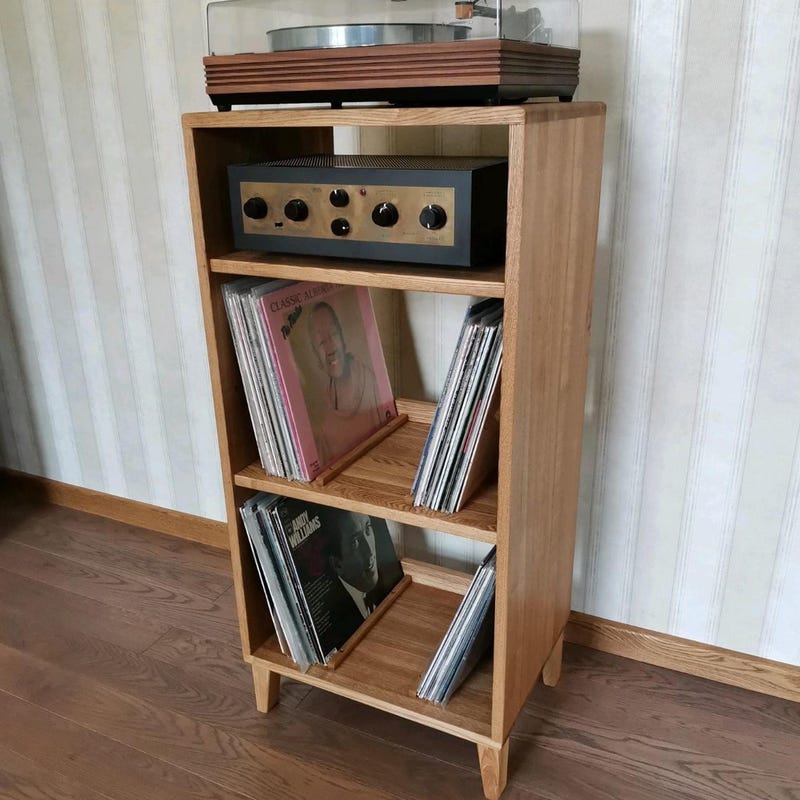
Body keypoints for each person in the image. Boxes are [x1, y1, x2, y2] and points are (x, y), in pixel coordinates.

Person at [307, 301, 384, 462]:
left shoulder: (371, 384)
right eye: (322, 342)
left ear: (342, 338)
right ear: (316, 355)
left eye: (334, 335)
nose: (331, 349)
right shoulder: (322, 415)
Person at [320, 511, 402, 650]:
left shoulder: (387, 580)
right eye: (355, 542)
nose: (369, 551)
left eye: (368, 529)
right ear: (337, 564)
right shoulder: (332, 619)